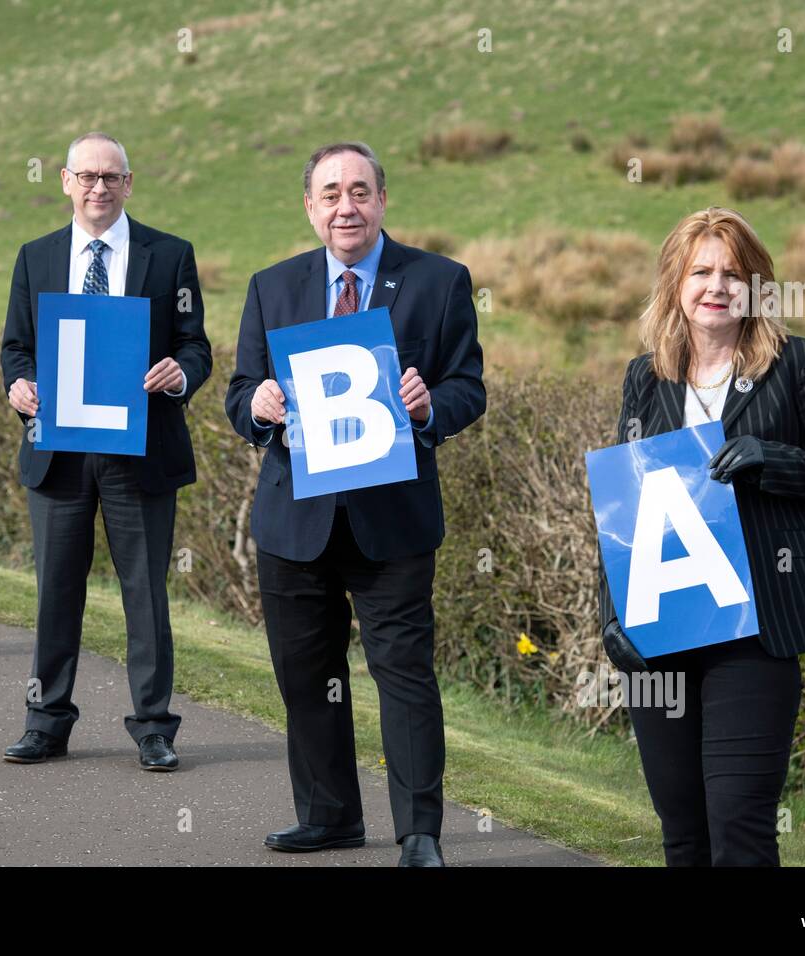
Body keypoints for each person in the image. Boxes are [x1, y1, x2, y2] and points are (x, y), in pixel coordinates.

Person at [225, 142, 485, 866]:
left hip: (392, 521)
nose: (348, 206)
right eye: (332, 193)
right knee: (308, 677)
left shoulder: (438, 281)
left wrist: (432, 407)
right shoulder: (272, 286)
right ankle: (329, 816)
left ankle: (420, 834)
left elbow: (470, 385)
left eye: (361, 191)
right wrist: (261, 403)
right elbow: (239, 393)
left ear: (382, 200)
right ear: (309, 207)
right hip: (294, 520)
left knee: (403, 675)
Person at [598, 206, 805, 866]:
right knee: (682, 833)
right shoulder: (645, 376)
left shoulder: (794, 364)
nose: (717, 285)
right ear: (675, 283)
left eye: (733, 273)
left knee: (739, 830)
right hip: (662, 630)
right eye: (701, 271)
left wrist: (771, 459)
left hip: (755, 632)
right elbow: (626, 510)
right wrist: (612, 618)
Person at [0, 132, 211, 771]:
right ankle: (47, 722)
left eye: (111, 177)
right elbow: (16, 346)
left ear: (129, 183)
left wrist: (180, 373)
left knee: (145, 592)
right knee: (54, 591)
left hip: (140, 450)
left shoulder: (170, 255)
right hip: (58, 451)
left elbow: (195, 344)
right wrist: (19, 386)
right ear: (65, 180)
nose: (98, 187)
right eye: (87, 176)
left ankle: (153, 727)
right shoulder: (35, 257)